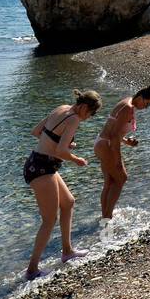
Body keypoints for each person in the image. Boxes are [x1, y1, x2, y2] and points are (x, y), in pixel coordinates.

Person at [24, 89, 100, 279]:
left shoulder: (62, 108)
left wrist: (62, 144)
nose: (89, 118)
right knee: (49, 220)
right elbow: (60, 151)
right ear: (83, 107)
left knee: (68, 203)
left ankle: (67, 251)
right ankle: (32, 270)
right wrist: (76, 159)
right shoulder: (74, 119)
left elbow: (37, 132)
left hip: (37, 163)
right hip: (42, 168)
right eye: (91, 113)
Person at [94, 82, 150, 222]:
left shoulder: (128, 102)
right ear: (140, 97)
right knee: (122, 178)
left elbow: (114, 131)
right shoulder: (128, 108)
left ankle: (104, 217)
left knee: (110, 182)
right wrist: (118, 160)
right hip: (107, 145)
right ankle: (108, 217)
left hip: (102, 142)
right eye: (146, 104)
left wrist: (126, 141)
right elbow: (114, 135)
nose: (146, 108)